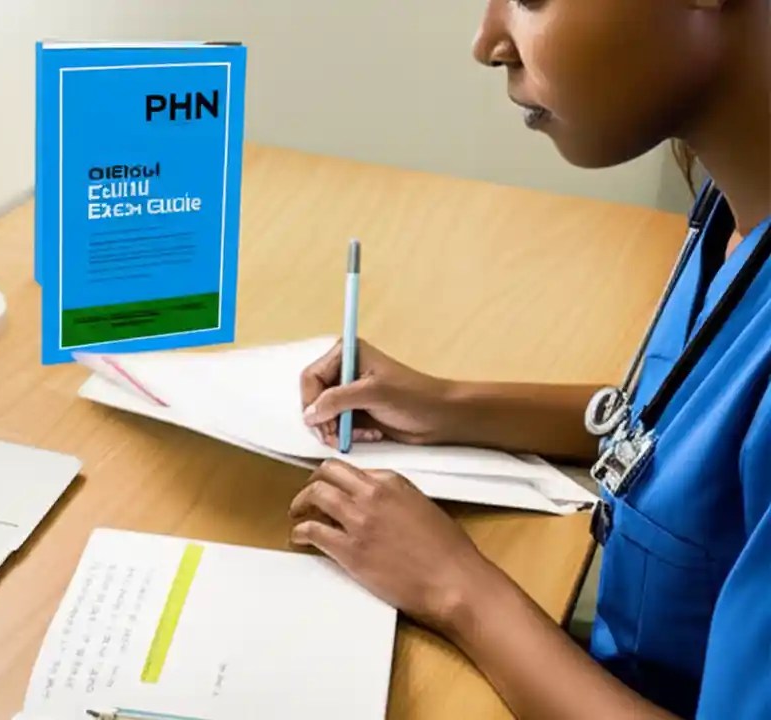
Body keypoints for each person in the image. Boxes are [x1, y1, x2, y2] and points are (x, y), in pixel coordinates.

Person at [291, 1, 769, 718]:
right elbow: (684, 427)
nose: (487, 44)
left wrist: (458, 589)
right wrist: (447, 404)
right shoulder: (734, 205)